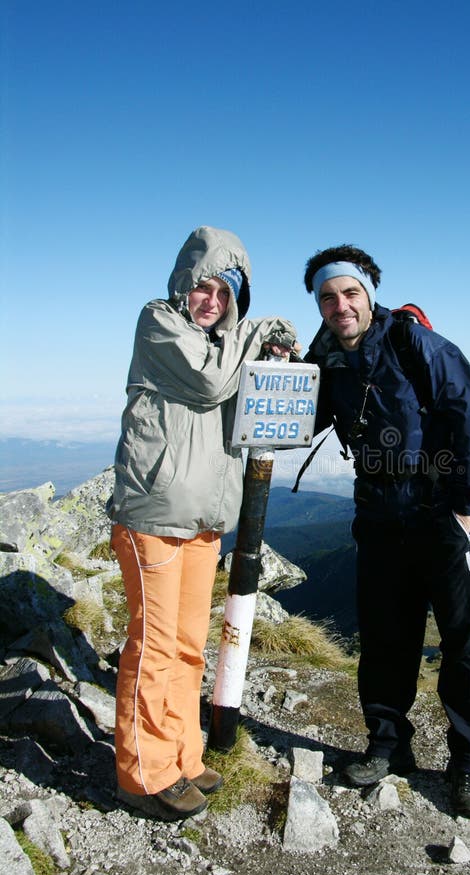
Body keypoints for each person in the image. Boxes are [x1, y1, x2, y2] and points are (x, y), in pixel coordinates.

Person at [303, 245, 470, 818]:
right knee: (386, 639)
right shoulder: (327, 360)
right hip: (378, 517)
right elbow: (300, 419)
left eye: (350, 292)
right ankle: (389, 748)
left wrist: (465, 504)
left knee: (467, 642)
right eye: (328, 297)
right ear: (319, 305)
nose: (340, 304)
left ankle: (469, 764)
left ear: (369, 293)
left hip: (439, 514)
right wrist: (277, 373)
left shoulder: (416, 344)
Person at [108, 225, 296, 820]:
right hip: (155, 516)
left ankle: (183, 755)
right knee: (155, 647)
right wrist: (255, 331)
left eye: (226, 293)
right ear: (184, 284)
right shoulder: (158, 323)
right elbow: (211, 382)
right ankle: (142, 774)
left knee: (189, 646)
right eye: (204, 287)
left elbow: (238, 405)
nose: (212, 300)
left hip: (204, 520)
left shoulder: (226, 346)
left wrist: (273, 363)